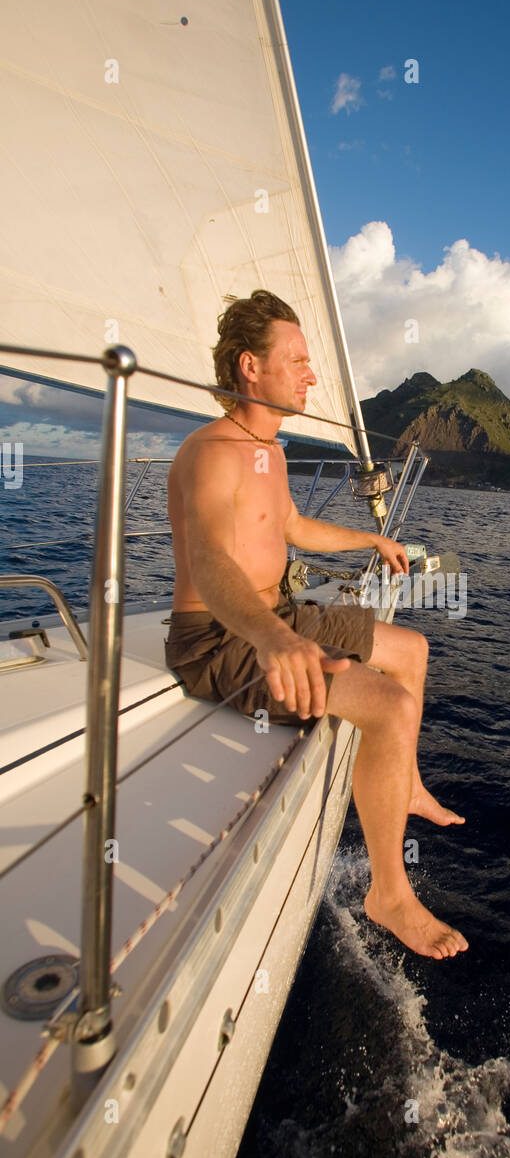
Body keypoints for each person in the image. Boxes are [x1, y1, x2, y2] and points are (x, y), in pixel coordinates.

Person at [164, 289, 468, 960]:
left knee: (409, 649)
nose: (310, 374)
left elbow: (293, 527)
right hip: (220, 637)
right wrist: (274, 638)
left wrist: (370, 541)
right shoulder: (212, 453)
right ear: (250, 366)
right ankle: (388, 893)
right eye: (296, 359)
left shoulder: (265, 451)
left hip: (273, 613)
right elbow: (210, 559)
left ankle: (406, 783)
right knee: (386, 704)